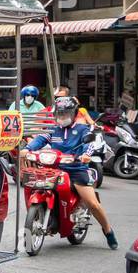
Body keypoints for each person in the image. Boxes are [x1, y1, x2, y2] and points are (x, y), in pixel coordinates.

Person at [26, 95, 118, 249]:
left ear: (75, 114)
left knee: (93, 204)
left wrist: (86, 156)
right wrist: (27, 149)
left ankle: (108, 231)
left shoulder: (83, 129)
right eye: (59, 114)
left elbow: (89, 143)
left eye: (66, 114)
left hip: (76, 170)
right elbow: (40, 140)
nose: (62, 117)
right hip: (54, 169)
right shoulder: (53, 130)